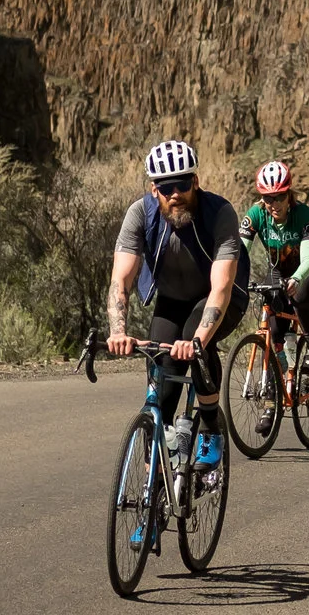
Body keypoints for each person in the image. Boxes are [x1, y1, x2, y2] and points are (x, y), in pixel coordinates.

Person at [107, 140, 249, 473]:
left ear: (195, 182)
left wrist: (197, 339)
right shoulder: (140, 214)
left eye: (182, 184)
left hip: (219, 297)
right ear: (153, 189)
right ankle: (154, 482)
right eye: (166, 187)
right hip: (172, 299)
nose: (175, 194)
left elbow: (221, 287)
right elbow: (120, 281)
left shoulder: (219, 213)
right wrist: (118, 332)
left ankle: (211, 429)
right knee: (162, 383)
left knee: (194, 343)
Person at [238, 160, 309, 432]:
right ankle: (272, 402)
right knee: (275, 332)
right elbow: (239, 251)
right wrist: (230, 278)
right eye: (268, 198)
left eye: (279, 197)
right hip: (280, 270)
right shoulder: (256, 215)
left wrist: (297, 278)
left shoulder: (304, 215)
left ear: (289, 194)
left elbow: (308, 257)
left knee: (301, 295)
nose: (274, 203)